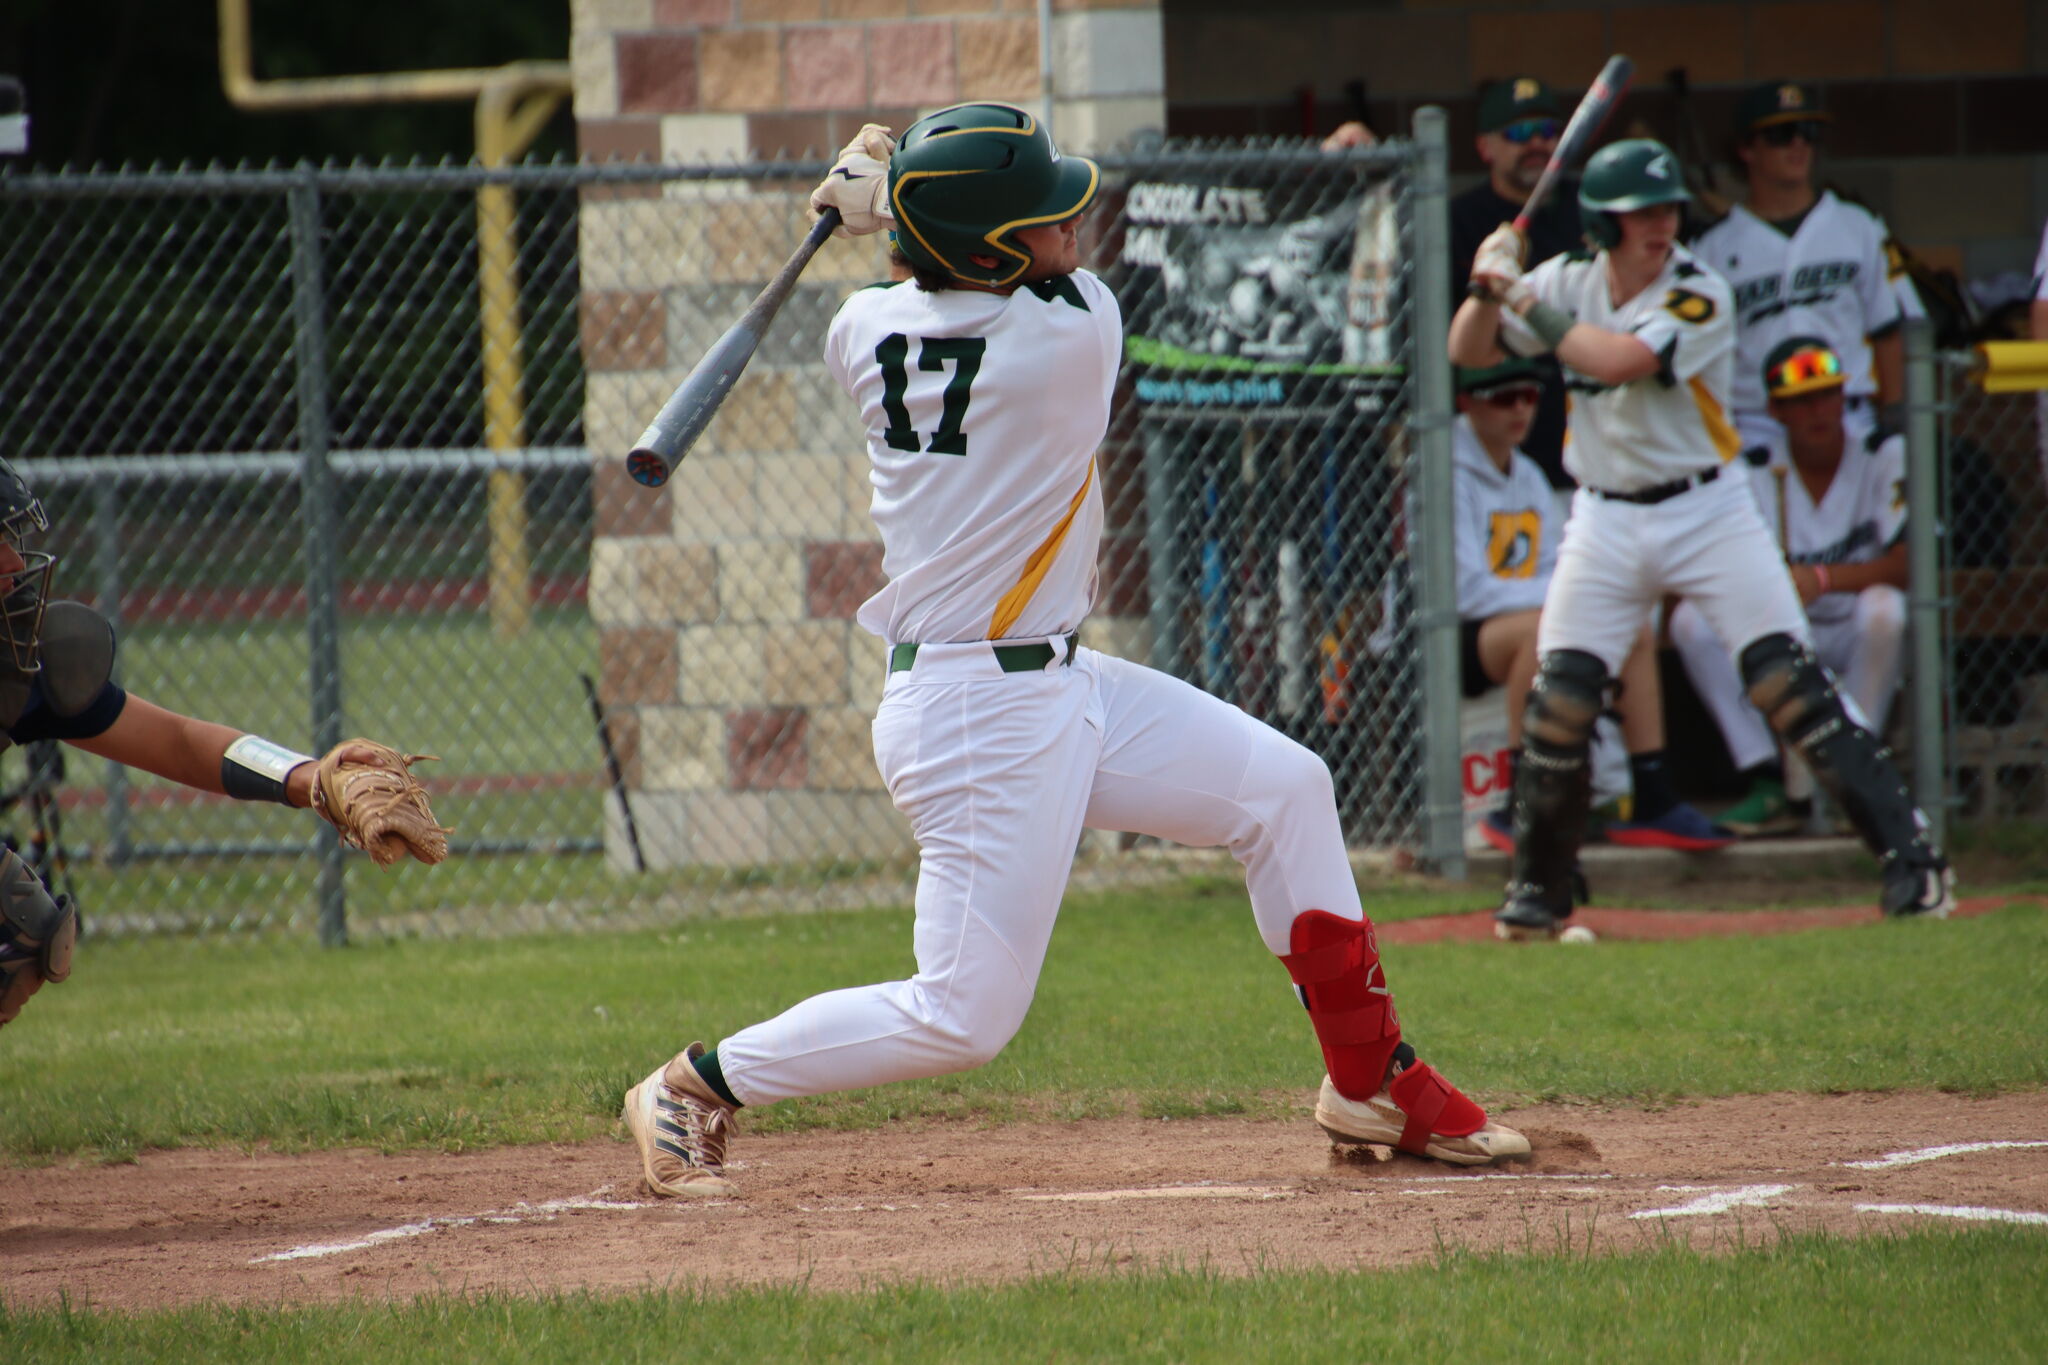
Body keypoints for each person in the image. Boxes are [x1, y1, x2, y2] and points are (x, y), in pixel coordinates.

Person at [619, 103, 1531, 1200]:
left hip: (1055, 680)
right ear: (993, 252)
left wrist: (884, 201)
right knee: (959, 1018)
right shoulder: (1067, 336)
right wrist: (893, 191)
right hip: (979, 719)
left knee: (1287, 790)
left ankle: (1371, 1080)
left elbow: (907, 282)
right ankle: (694, 1085)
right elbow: (981, 276)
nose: (1072, 229)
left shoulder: (857, 331)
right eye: (1047, 219)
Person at [1448, 137, 1954, 940]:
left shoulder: (1699, 290)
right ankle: (1541, 891)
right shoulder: (1566, 280)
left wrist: (1519, 299)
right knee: (1560, 698)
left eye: (1667, 209)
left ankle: (1914, 863)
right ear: (1601, 224)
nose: (1660, 225)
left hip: (1708, 512)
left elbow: (1617, 360)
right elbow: (1465, 351)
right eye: (1639, 214)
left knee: (1786, 683)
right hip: (1605, 514)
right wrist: (1485, 286)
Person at [0, 459, 445, 1029]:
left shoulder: (17, 670)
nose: (15, 564)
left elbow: (179, 741)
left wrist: (312, 780)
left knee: (20, 924)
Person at [1450, 359, 1732, 854]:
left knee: (1633, 628)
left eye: (1529, 397)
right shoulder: (1446, 470)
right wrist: (1562, 595)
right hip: (1447, 637)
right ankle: (1518, 799)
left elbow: (1558, 562)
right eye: (1503, 398)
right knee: (1545, 629)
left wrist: (1567, 594)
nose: (1520, 409)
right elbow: (1466, 592)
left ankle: (1652, 795)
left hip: (1512, 620)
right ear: (1466, 403)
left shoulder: (1528, 472)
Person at [1670, 337, 1909, 835]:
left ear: (1845, 396)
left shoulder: (1883, 452)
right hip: (1779, 623)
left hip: (1850, 621)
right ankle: (1768, 781)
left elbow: (1910, 564)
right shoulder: (1753, 464)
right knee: (1691, 623)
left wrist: (1823, 579)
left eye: (1826, 395)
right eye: (1800, 401)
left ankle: (1855, 775)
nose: (1817, 411)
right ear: (1776, 411)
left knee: (1886, 609)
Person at [1691, 81, 1916, 459]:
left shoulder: (1858, 225)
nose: (1799, 145)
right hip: (1756, 424)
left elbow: (1887, 329)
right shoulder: (1711, 248)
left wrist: (1892, 412)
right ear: (1746, 149)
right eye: (1782, 135)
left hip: (1847, 417)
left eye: (1808, 133)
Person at [1448, 77, 1582, 493]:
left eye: (1547, 132)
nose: (1537, 144)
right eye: (1520, 133)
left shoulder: (1588, 211)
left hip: (1583, 437)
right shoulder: (1458, 221)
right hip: (1499, 459)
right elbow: (1463, 350)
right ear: (1485, 148)